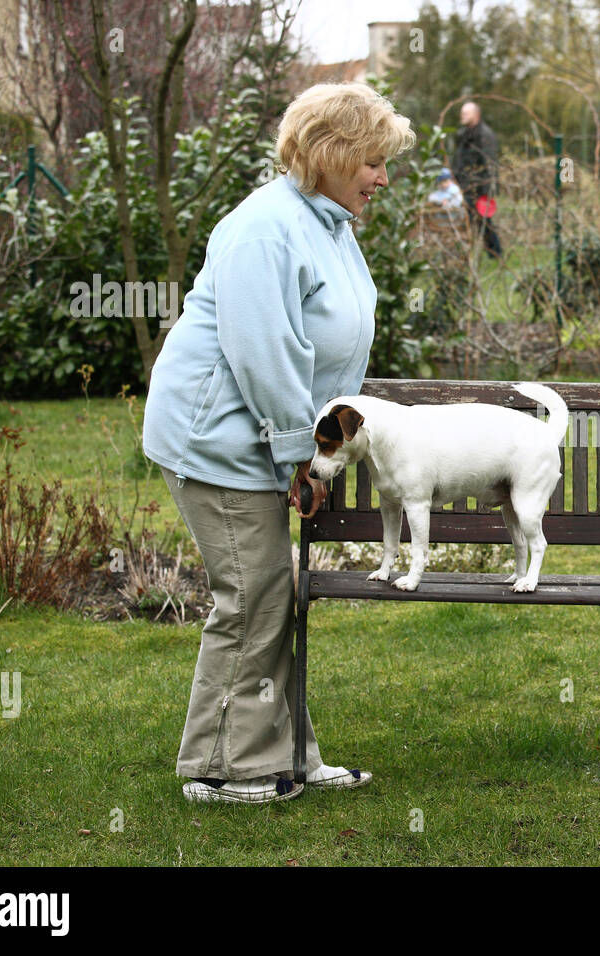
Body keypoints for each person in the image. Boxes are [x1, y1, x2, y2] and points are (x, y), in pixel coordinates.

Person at [142, 83, 415, 804]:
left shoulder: (327, 225)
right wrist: (304, 455)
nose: (383, 178)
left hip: (265, 438)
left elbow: (327, 350)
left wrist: (316, 451)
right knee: (254, 597)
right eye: (374, 162)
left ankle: (286, 752)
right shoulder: (267, 228)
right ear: (332, 154)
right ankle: (222, 768)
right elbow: (265, 354)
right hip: (218, 442)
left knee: (275, 596)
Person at [451, 100, 503, 258]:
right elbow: (459, 159)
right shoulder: (462, 135)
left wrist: (487, 190)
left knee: (484, 222)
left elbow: (490, 162)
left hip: (479, 187)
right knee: (466, 220)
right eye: (462, 113)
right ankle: (465, 253)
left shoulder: (485, 135)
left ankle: (495, 252)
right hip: (464, 185)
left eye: (466, 113)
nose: (462, 116)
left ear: (476, 114)